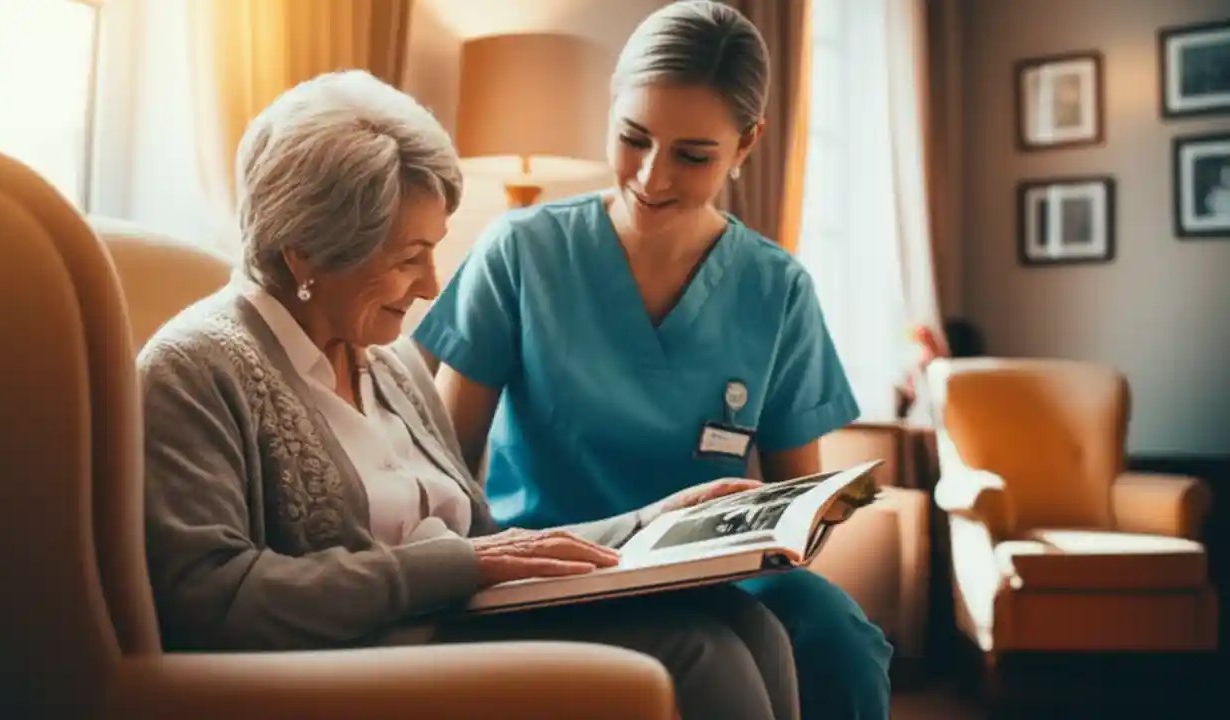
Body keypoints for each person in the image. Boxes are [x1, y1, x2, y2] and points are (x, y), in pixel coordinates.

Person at [140, 69, 799, 720]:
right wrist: (442, 569)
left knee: (751, 626)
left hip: (455, 626)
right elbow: (209, 597)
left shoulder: (391, 366)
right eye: (407, 258)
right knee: (697, 651)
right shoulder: (196, 369)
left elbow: (490, 548)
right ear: (305, 254)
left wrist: (652, 522)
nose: (431, 284)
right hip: (359, 659)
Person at [413, 2, 894, 718]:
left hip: (702, 569)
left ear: (746, 144)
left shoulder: (777, 289)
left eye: (692, 155)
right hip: (550, 559)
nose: (651, 175)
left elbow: (796, 509)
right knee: (715, 649)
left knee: (838, 636)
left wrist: (786, 525)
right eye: (633, 138)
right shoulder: (522, 253)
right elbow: (443, 471)